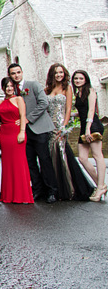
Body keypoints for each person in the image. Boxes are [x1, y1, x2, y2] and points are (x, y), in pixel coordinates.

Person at [8, 63, 57, 203]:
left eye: (18, 72)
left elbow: (44, 103)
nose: (16, 75)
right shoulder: (11, 90)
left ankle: (52, 191)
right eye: (13, 73)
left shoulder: (33, 85)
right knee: (30, 162)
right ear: (10, 75)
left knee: (44, 160)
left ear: (22, 72)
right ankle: (37, 190)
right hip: (23, 132)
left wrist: (28, 119)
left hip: (39, 128)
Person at [45, 64, 92, 201]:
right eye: (56, 73)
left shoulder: (67, 88)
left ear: (64, 74)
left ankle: (68, 189)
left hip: (60, 125)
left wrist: (64, 127)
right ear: (52, 74)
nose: (59, 75)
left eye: (61, 72)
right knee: (50, 155)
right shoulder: (47, 89)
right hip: (48, 126)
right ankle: (53, 188)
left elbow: (68, 109)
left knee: (61, 153)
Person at [0, 78, 33, 204]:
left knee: (19, 163)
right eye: (7, 86)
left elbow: (23, 116)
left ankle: (22, 194)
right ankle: (9, 195)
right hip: (4, 134)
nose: (9, 88)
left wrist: (22, 131)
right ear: (3, 88)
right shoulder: (0, 102)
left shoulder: (19, 99)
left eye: (11, 86)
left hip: (16, 133)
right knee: (7, 164)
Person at [72, 69, 106, 202]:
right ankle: (100, 185)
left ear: (85, 80)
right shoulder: (78, 93)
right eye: (76, 78)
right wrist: (68, 114)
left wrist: (88, 129)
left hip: (93, 126)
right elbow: (82, 111)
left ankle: (100, 188)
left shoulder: (90, 91)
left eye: (81, 78)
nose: (78, 80)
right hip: (84, 126)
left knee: (97, 155)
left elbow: (91, 110)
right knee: (82, 158)